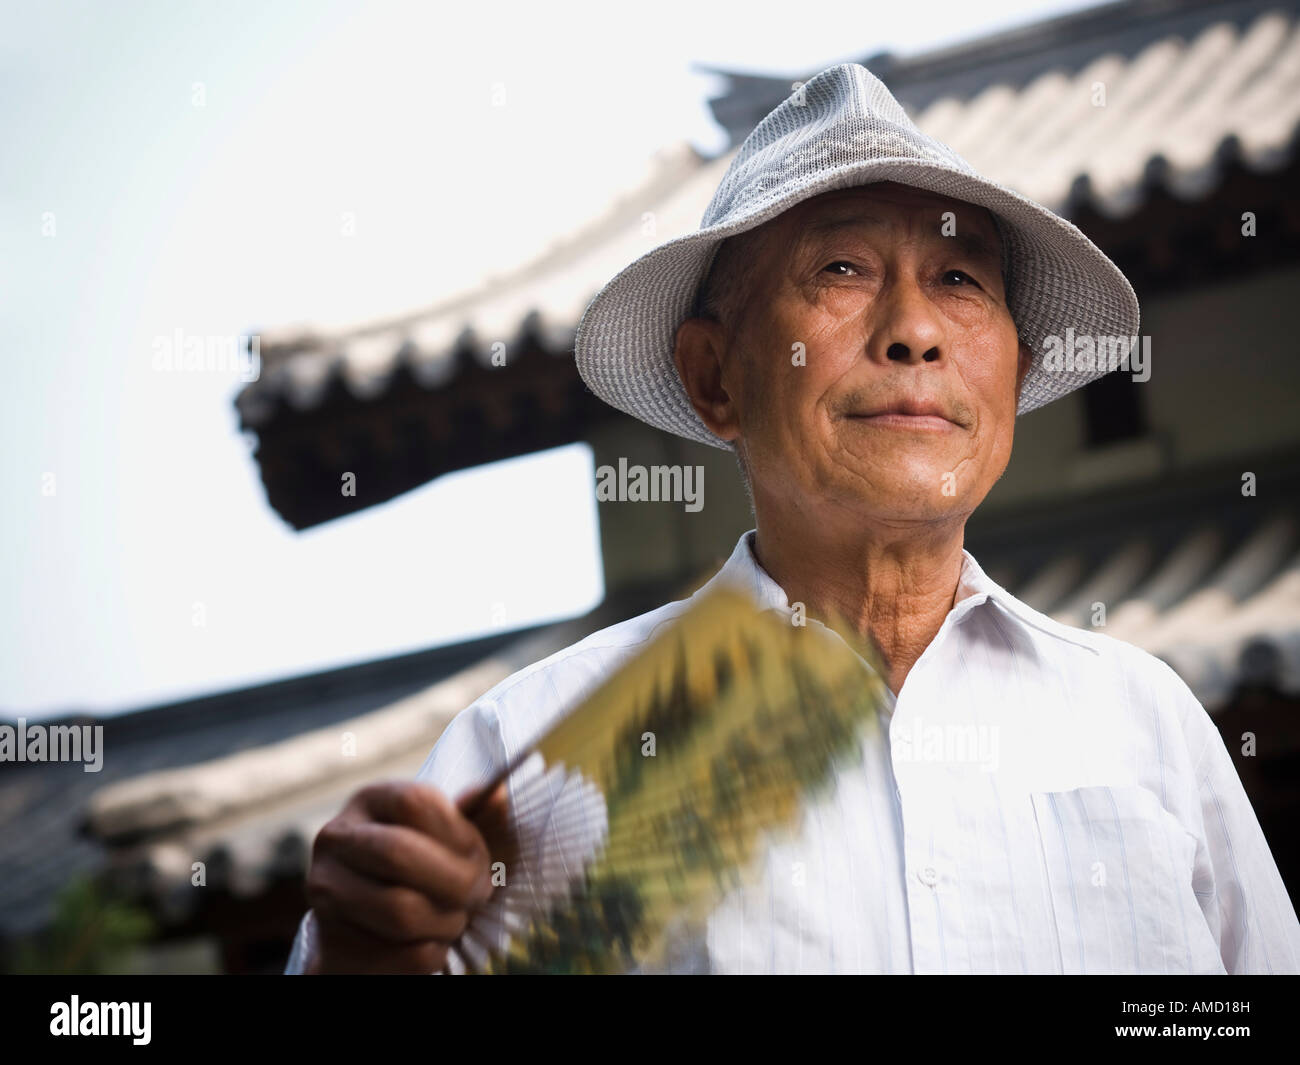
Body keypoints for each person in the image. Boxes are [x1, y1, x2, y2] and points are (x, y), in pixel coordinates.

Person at [285, 63, 1300, 974]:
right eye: (842, 272)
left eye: (958, 279)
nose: (912, 333)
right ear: (713, 377)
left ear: (1015, 373)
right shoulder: (536, 753)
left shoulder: (1143, 721)